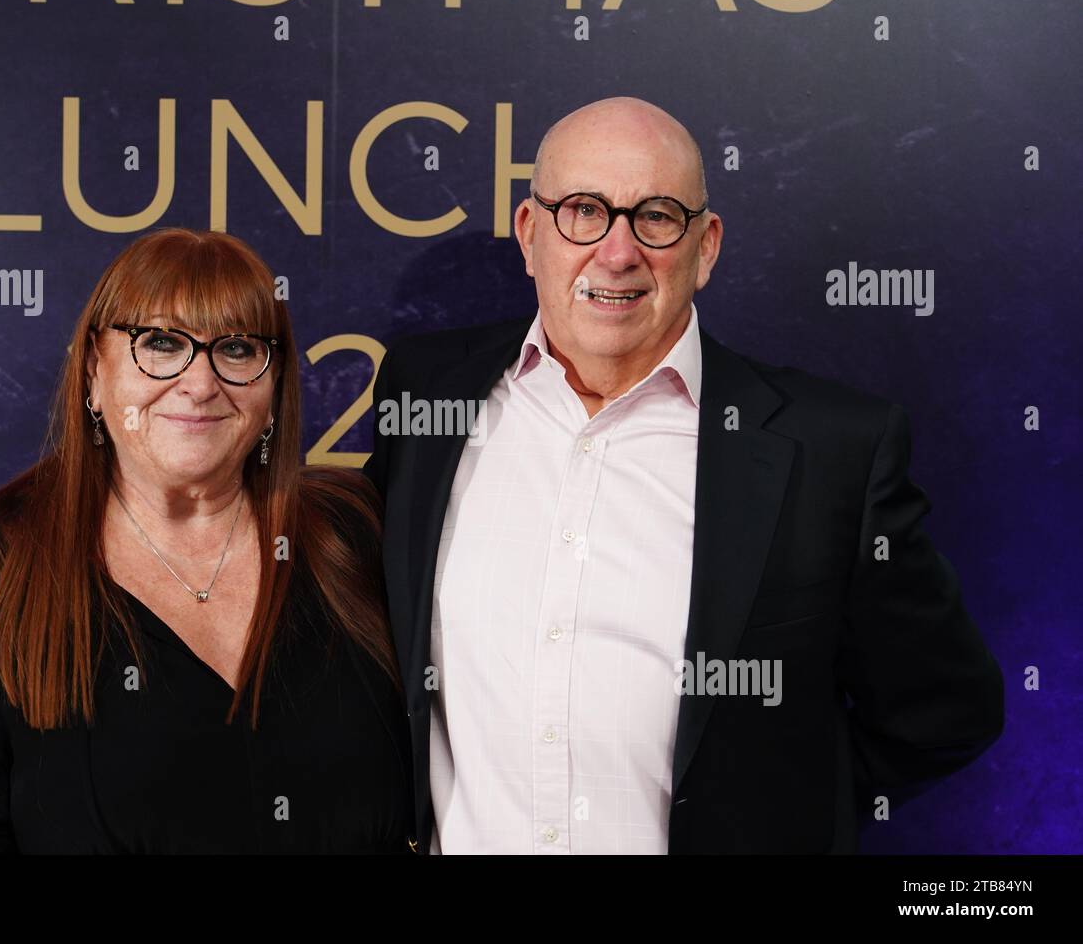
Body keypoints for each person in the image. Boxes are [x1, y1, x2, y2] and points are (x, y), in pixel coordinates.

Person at [364, 96, 1004, 854]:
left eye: (657, 216)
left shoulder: (830, 450)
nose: (617, 251)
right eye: (582, 211)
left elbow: (945, 709)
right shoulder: (429, 393)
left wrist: (778, 814)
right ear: (531, 234)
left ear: (706, 246)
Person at [0, 227, 415, 853]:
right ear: (94, 372)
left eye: (235, 349)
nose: (200, 383)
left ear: (274, 387)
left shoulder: (355, 537)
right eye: (159, 343)